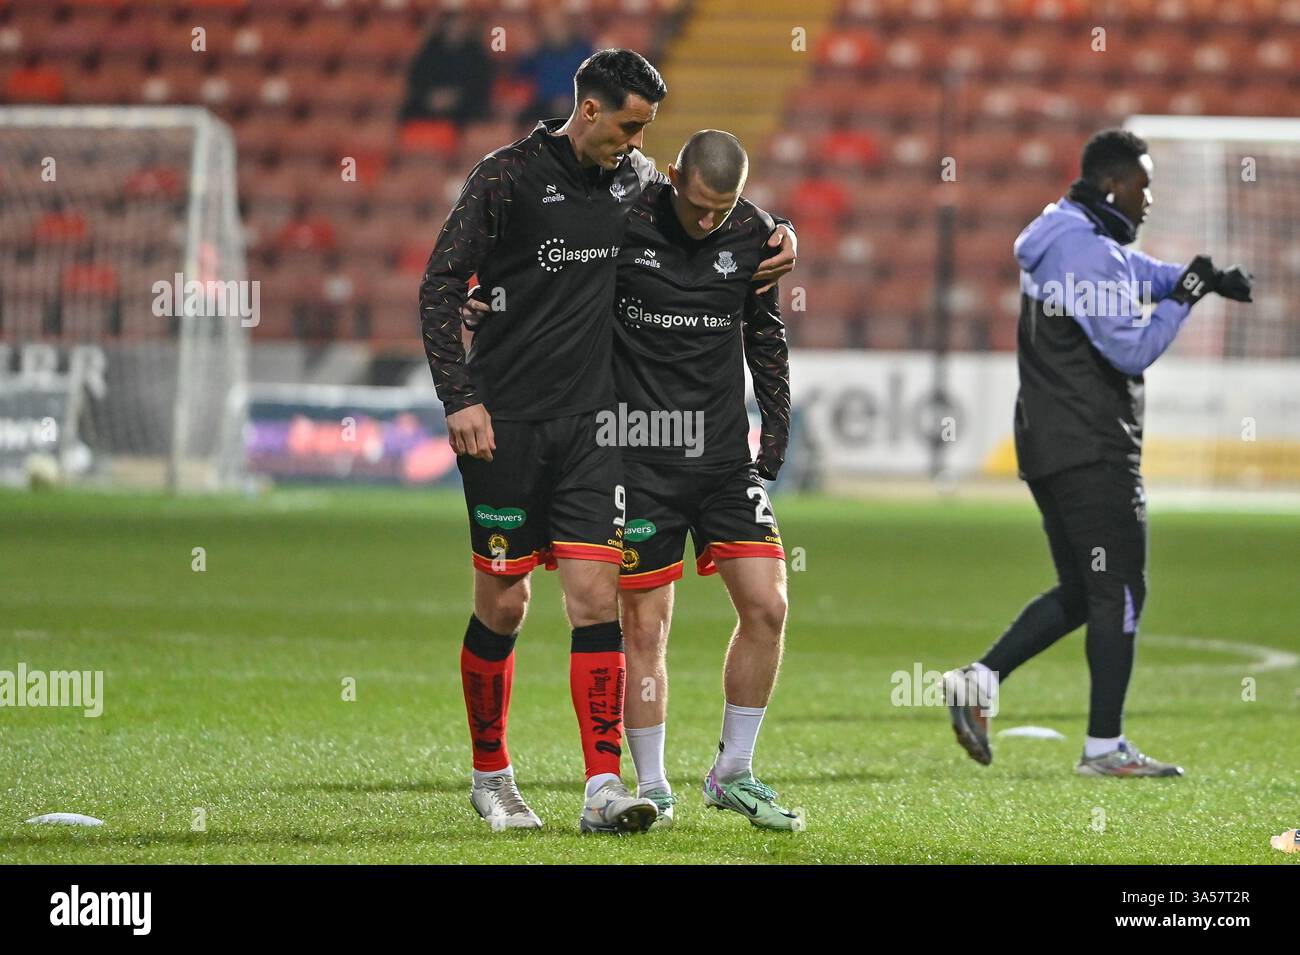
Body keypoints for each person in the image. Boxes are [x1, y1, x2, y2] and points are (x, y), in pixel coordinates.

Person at [419, 50, 797, 832]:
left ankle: (604, 785)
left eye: (646, 131)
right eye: (630, 125)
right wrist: (461, 397)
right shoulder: (506, 178)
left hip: (598, 429)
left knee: (594, 600)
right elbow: (440, 283)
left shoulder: (635, 186)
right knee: (505, 602)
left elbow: (713, 213)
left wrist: (781, 233)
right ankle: (492, 773)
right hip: (507, 425)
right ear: (590, 110)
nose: (638, 142)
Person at [943, 128, 1254, 777]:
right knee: (1121, 591)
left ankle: (979, 679)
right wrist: (1185, 301)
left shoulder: (1066, 231)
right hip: (1091, 444)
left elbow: (1131, 273)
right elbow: (1131, 349)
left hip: (1050, 440)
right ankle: (1104, 748)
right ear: (1114, 183)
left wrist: (1195, 278)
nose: (1148, 200)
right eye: (1143, 185)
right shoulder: (1086, 252)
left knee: (1085, 589)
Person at [612, 130, 800, 829]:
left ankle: (732, 770)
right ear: (671, 178)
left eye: (721, 210)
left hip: (722, 459)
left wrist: (774, 431)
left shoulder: (752, 234)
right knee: (645, 628)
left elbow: (764, 333)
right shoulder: (624, 225)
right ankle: (653, 784)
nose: (707, 222)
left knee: (768, 605)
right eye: (697, 208)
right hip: (639, 457)